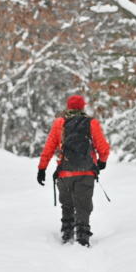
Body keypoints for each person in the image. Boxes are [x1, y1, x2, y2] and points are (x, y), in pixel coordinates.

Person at [36, 94, 110, 246]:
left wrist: (42, 169)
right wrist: (102, 162)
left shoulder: (59, 123)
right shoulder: (92, 123)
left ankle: (67, 233)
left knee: (67, 205)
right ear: (83, 107)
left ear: (68, 107)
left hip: (65, 172)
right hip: (86, 172)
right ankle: (82, 238)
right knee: (83, 206)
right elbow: (103, 148)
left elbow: (48, 148)